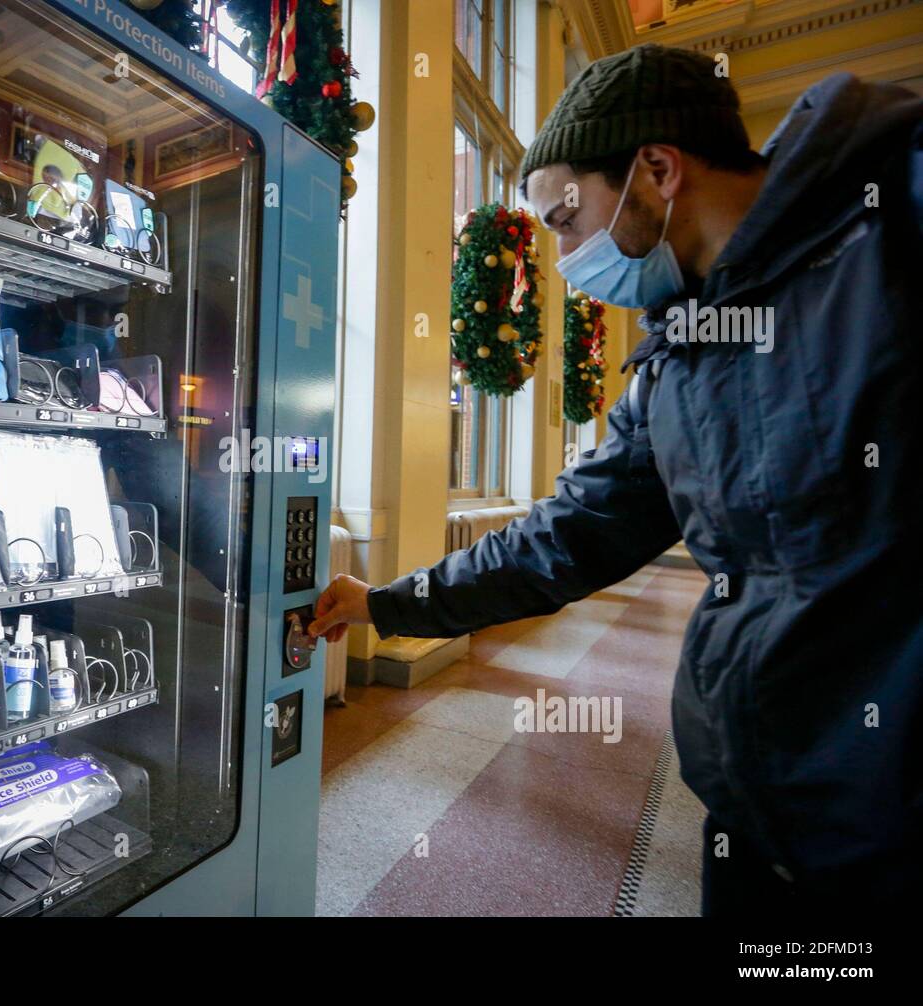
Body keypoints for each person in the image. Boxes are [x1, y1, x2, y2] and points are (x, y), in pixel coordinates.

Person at [308, 44, 923, 917]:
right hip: (758, 819)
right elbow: (564, 536)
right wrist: (386, 603)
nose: (563, 256)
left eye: (564, 218)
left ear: (657, 170)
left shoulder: (892, 229)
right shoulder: (675, 360)